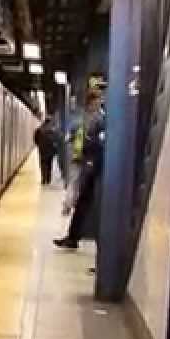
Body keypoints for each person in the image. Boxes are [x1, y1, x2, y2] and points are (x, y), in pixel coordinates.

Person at [55, 92, 105, 249]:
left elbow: (93, 141)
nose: (98, 104)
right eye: (97, 101)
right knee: (83, 202)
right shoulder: (93, 119)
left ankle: (73, 237)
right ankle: (72, 237)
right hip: (90, 164)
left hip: (93, 165)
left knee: (85, 202)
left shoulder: (98, 120)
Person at [33, 116, 59, 185]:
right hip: (51, 150)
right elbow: (57, 140)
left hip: (42, 149)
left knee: (43, 163)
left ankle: (43, 179)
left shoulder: (39, 129)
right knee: (49, 164)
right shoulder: (53, 130)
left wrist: (39, 145)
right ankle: (48, 179)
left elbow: (35, 139)